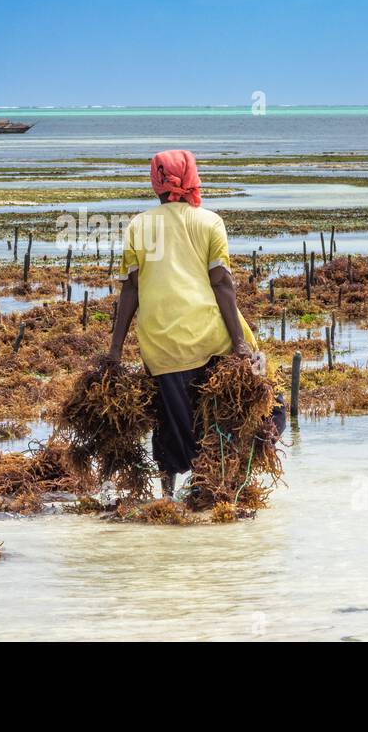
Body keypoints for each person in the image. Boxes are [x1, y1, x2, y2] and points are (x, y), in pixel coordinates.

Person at [107, 150, 269, 498]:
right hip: (210, 340)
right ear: (192, 178)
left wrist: (115, 352)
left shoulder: (139, 225)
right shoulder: (209, 222)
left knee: (169, 422)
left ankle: (167, 495)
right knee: (253, 409)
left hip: (161, 349)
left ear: (156, 184)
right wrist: (241, 345)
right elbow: (222, 284)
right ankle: (215, 488)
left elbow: (130, 290)